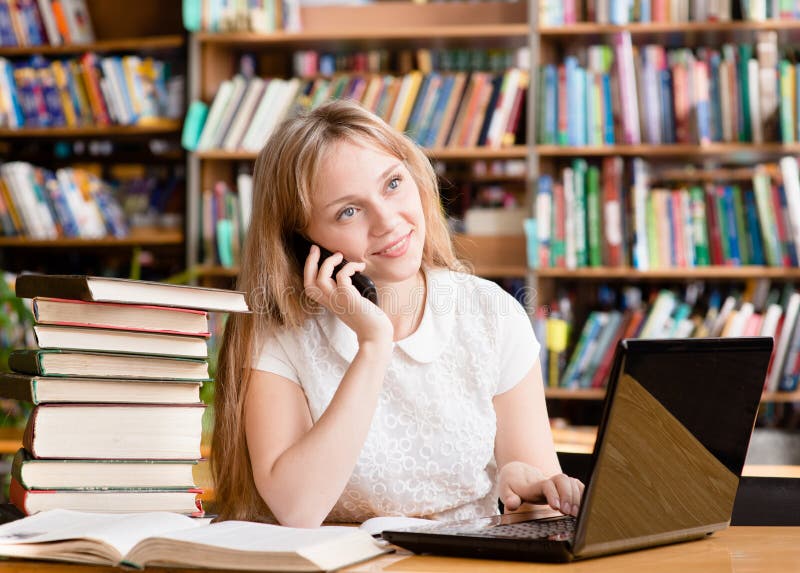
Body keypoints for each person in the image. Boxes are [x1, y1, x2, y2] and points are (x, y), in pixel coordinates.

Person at [211, 99, 584, 527]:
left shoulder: (491, 315)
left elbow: (540, 514)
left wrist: (525, 485)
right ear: (302, 240)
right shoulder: (281, 333)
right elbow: (298, 508)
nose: (387, 220)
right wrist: (373, 344)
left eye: (392, 183)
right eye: (348, 211)